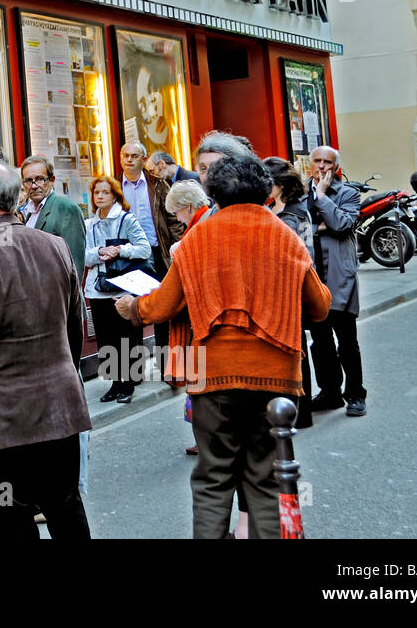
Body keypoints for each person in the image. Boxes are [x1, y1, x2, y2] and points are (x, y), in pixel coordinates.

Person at [114, 155, 331, 539]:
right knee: (265, 478)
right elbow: (320, 306)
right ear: (266, 192)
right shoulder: (284, 236)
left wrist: (134, 308)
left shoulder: (197, 238)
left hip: (212, 377)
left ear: (212, 193)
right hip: (275, 379)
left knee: (214, 479)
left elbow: (163, 305)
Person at [0, 158, 93, 539]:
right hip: (58, 406)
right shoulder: (55, 247)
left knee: (8, 521)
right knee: (65, 508)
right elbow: (75, 327)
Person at [305, 145, 366, 417]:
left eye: (327, 162)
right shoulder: (298, 193)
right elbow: (297, 227)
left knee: (347, 342)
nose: (321, 166)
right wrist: (320, 225)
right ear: (310, 164)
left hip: (339, 278)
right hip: (312, 277)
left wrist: (321, 197)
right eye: (317, 161)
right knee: (320, 342)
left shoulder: (349, 193)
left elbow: (343, 225)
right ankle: (330, 392)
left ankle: (355, 394)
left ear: (335, 166)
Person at [83, 175, 152, 404]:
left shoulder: (126, 219)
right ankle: (114, 384)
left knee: (126, 336)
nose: (100, 196)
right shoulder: (88, 224)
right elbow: (83, 255)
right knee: (106, 338)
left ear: (114, 195)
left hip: (123, 288)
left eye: (105, 192)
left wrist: (119, 249)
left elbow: (144, 249)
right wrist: (100, 251)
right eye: (96, 193)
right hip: (98, 288)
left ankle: (128, 384)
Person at [18, 154, 88, 356]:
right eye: (29, 180)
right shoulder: (28, 212)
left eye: (40, 179)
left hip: (61, 309)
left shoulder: (65, 209)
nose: (34, 185)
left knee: (68, 373)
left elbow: (73, 266)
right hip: (36, 308)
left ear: (52, 180)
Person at [119, 142, 184, 356]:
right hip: (127, 255)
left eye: (134, 156)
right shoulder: (114, 185)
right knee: (130, 311)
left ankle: (166, 364)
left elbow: (173, 218)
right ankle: (133, 371)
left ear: (143, 160)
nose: (129, 159)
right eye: (125, 155)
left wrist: (178, 249)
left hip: (158, 254)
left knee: (162, 308)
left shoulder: (157, 184)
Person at [265, 157, 315, 430]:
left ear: (281, 184)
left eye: (268, 182)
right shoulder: (274, 208)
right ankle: (288, 407)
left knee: (296, 352)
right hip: (274, 290)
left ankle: (301, 412)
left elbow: (304, 257)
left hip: (290, 290)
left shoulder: (295, 213)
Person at [162, 178, 210, 455]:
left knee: (198, 381)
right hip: (197, 318)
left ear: (188, 206)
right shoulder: (200, 224)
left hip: (196, 320)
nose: (177, 219)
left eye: (178, 212)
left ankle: (204, 441)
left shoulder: (199, 228)